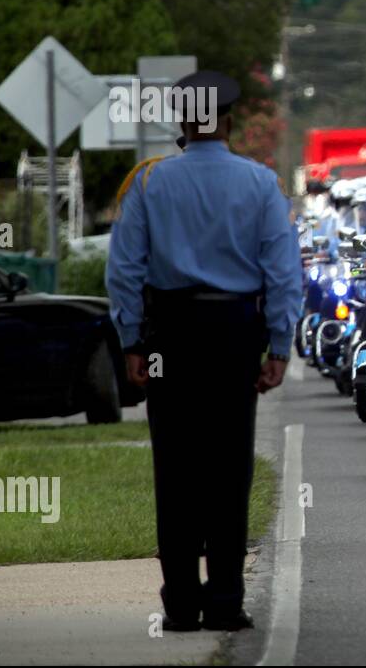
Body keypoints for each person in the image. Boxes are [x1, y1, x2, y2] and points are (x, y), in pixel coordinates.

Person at [106, 70, 302, 632]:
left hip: (170, 332)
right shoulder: (260, 183)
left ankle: (181, 607)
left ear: (182, 123)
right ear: (229, 122)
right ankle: (225, 602)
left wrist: (132, 343)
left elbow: (124, 271)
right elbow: (282, 272)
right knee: (228, 467)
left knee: (175, 468)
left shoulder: (147, 182)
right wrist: (279, 346)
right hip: (234, 333)